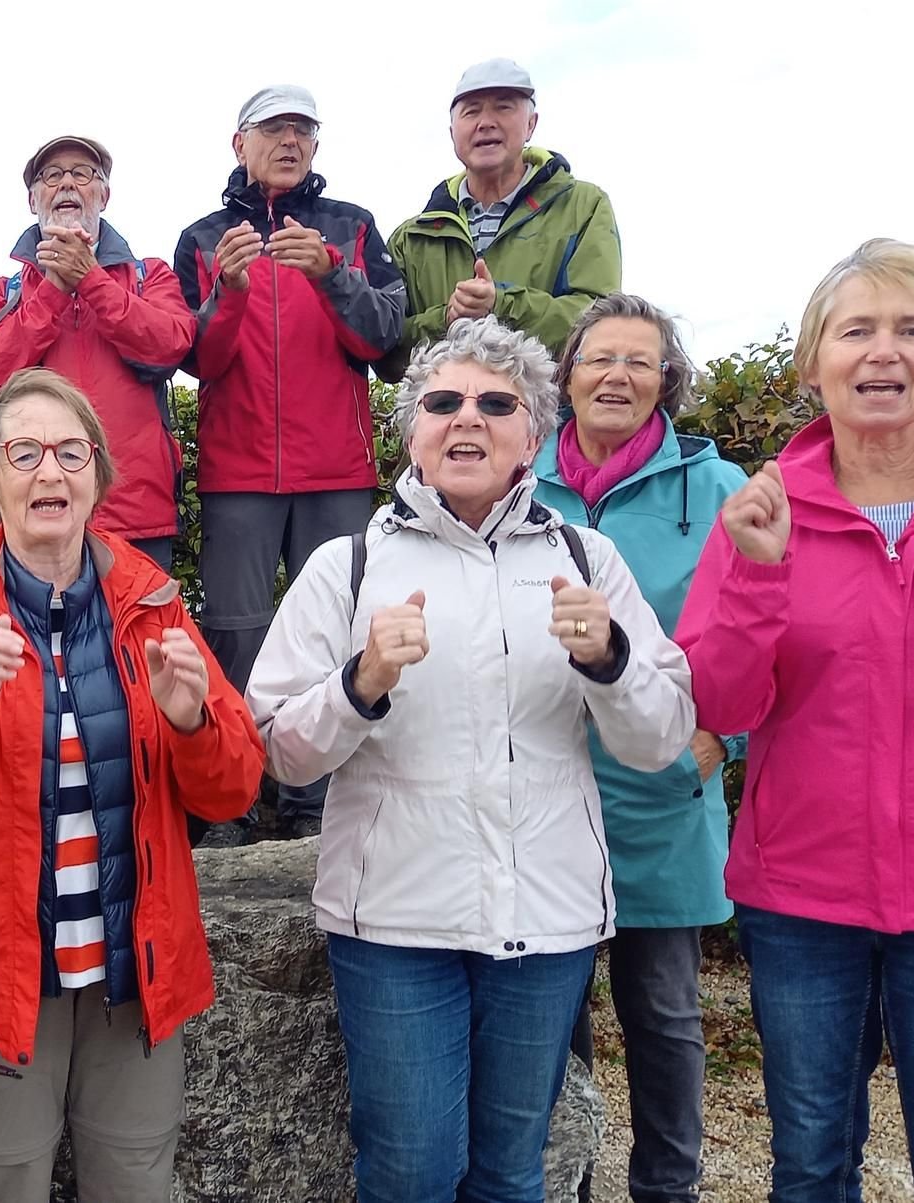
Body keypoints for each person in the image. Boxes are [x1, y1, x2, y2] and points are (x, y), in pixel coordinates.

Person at [246, 316, 694, 1203]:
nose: (468, 420)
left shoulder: (585, 557)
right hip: (393, 926)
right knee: (410, 1175)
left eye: (497, 404)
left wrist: (608, 661)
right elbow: (283, 752)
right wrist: (362, 681)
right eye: (443, 402)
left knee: (510, 1176)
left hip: (547, 922)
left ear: (535, 434)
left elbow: (662, 735)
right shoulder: (349, 564)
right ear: (411, 428)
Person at [677, 238, 914, 1203]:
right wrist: (759, 578)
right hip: (803, 896)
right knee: (809, 1169)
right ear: (816, 362)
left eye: (911, 330)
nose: (883, 351)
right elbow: (719, 705)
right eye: (857, 330)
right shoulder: (762, 513)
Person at [0, 368, 264, 1201]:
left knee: (137, 1184)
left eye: (71, 452)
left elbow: (233, 791)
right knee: (4, 1185)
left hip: (134, 979)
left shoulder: (155, 605)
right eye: (25, 452)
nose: (51, 472)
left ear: (99, 475)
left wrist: (191, 722)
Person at [530, 294, 747, 1203]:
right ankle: (567, 1182)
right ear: (566, 376)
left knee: (662, 1014)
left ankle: (669, 1188)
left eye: (640, 361)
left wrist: (719, 737)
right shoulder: (513, 474)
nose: (616, 375)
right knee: (551, 1016)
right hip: (540, 786)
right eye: (598, 358)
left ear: (668, 381)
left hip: (661, 783)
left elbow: (759, 625)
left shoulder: (720, 488)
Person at [174, 84, 406, 842]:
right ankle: (235, 796)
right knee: (235, 633)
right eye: (274, 129)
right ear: (238, 143)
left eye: (303, 129)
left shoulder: (354, 227)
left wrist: (332, 272)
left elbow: (382, 342)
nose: (290, 141)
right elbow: (200, 361)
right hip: (238, 471)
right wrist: (233, 290)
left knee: (339, 631)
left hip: (337, 470)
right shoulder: (202, 237)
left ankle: (316, 803)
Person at [0, 134, 195, 570]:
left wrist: (90, 281)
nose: (67, 184)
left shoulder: (152, 276)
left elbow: (171, 345)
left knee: (140, 639)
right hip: (37, 516)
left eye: (83, 174)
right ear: (32, 200)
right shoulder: (2, 293)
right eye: (52, 176)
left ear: (104, 195)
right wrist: (54, 287)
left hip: (137, 518)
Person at [381, 58, 619, 382]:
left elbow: (601, 327)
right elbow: (385, 355)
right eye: (472, 111)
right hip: (446, 425)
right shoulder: (410, 239)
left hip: (551, 425)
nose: (486, 122)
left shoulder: (583, 206)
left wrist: (502, 305)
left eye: (504, 108)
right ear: (452, 132)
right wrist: (447, 319)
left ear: (531, 124)